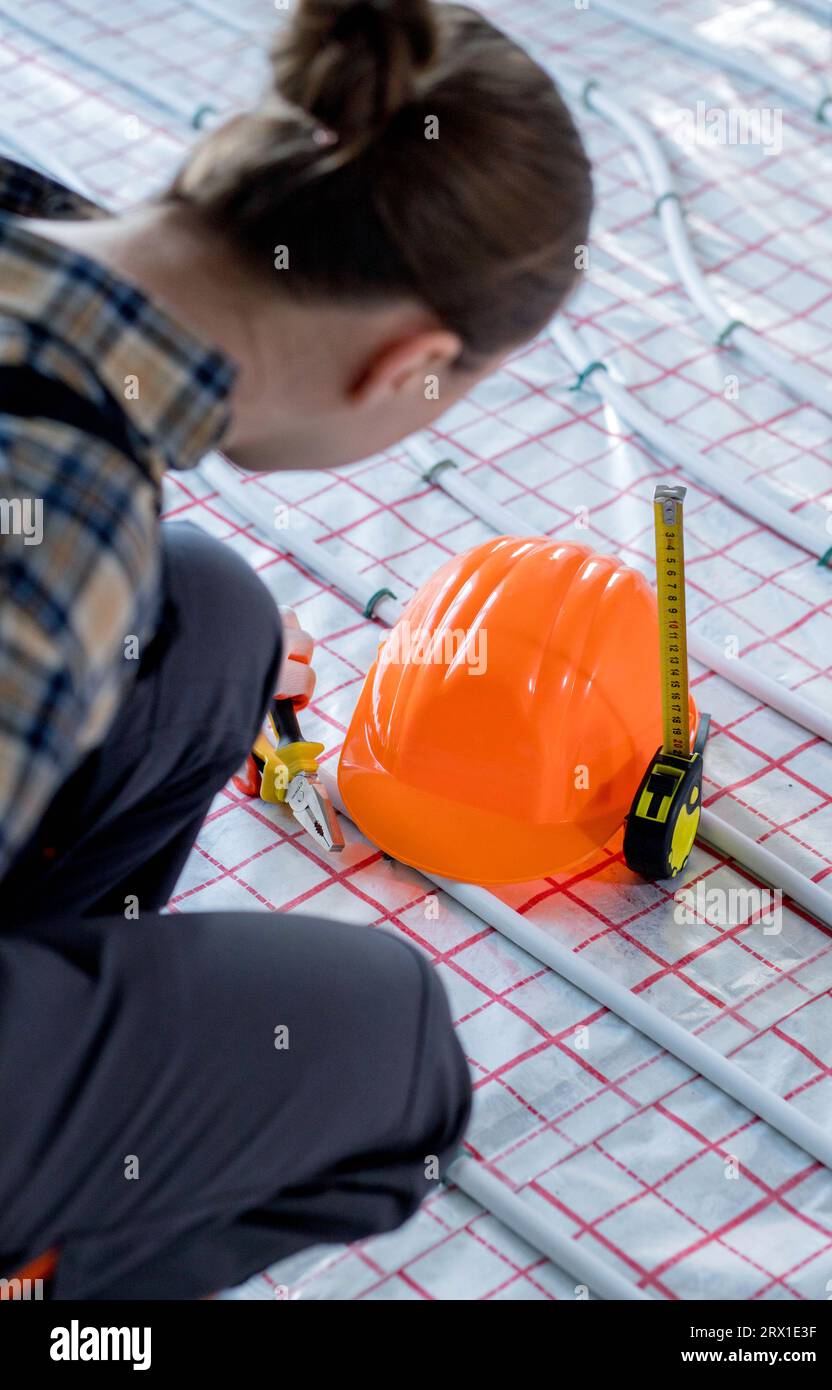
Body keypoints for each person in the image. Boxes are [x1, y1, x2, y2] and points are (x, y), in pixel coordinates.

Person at [0, 0, 593, 1298]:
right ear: (414, 363)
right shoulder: (62, 513)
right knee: (386, 1047)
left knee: (203, 619)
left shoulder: (29, 234)